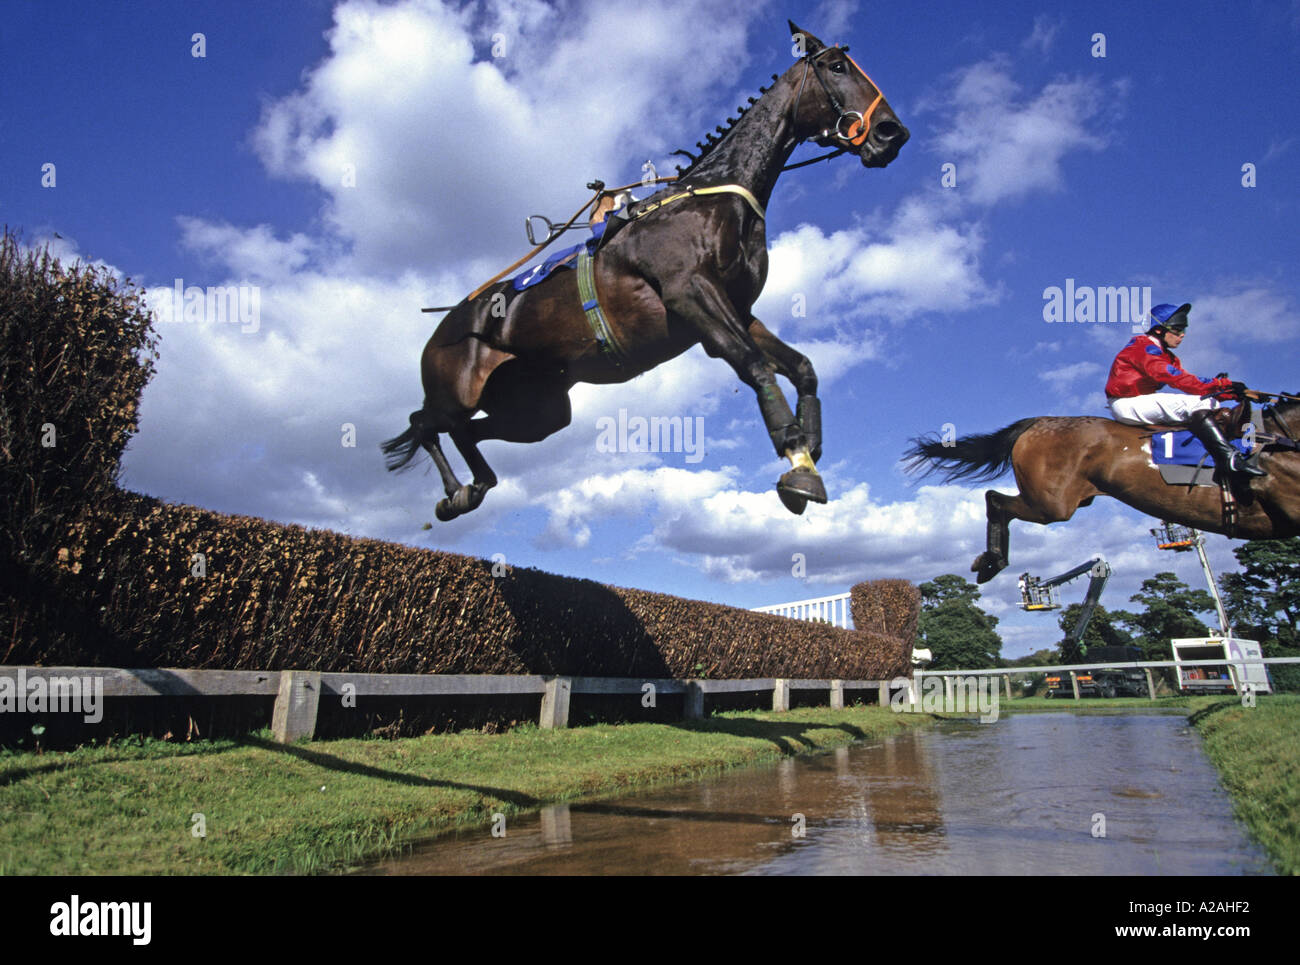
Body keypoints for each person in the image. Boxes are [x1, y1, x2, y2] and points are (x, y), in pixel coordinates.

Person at [1104, 302, 1264, 480]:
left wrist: (1233, 393)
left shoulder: (1168, 356)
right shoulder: (1142, 348)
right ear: (1159, 330)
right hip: (1127, 403)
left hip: (1139, 401)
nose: (1182, 335)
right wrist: (1223, 383)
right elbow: (1180, 381)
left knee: (1210, 402)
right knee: (1203, 403)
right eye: (1177, 329)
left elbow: (1193, 386)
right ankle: (1228, 458)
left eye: (1184, 330)